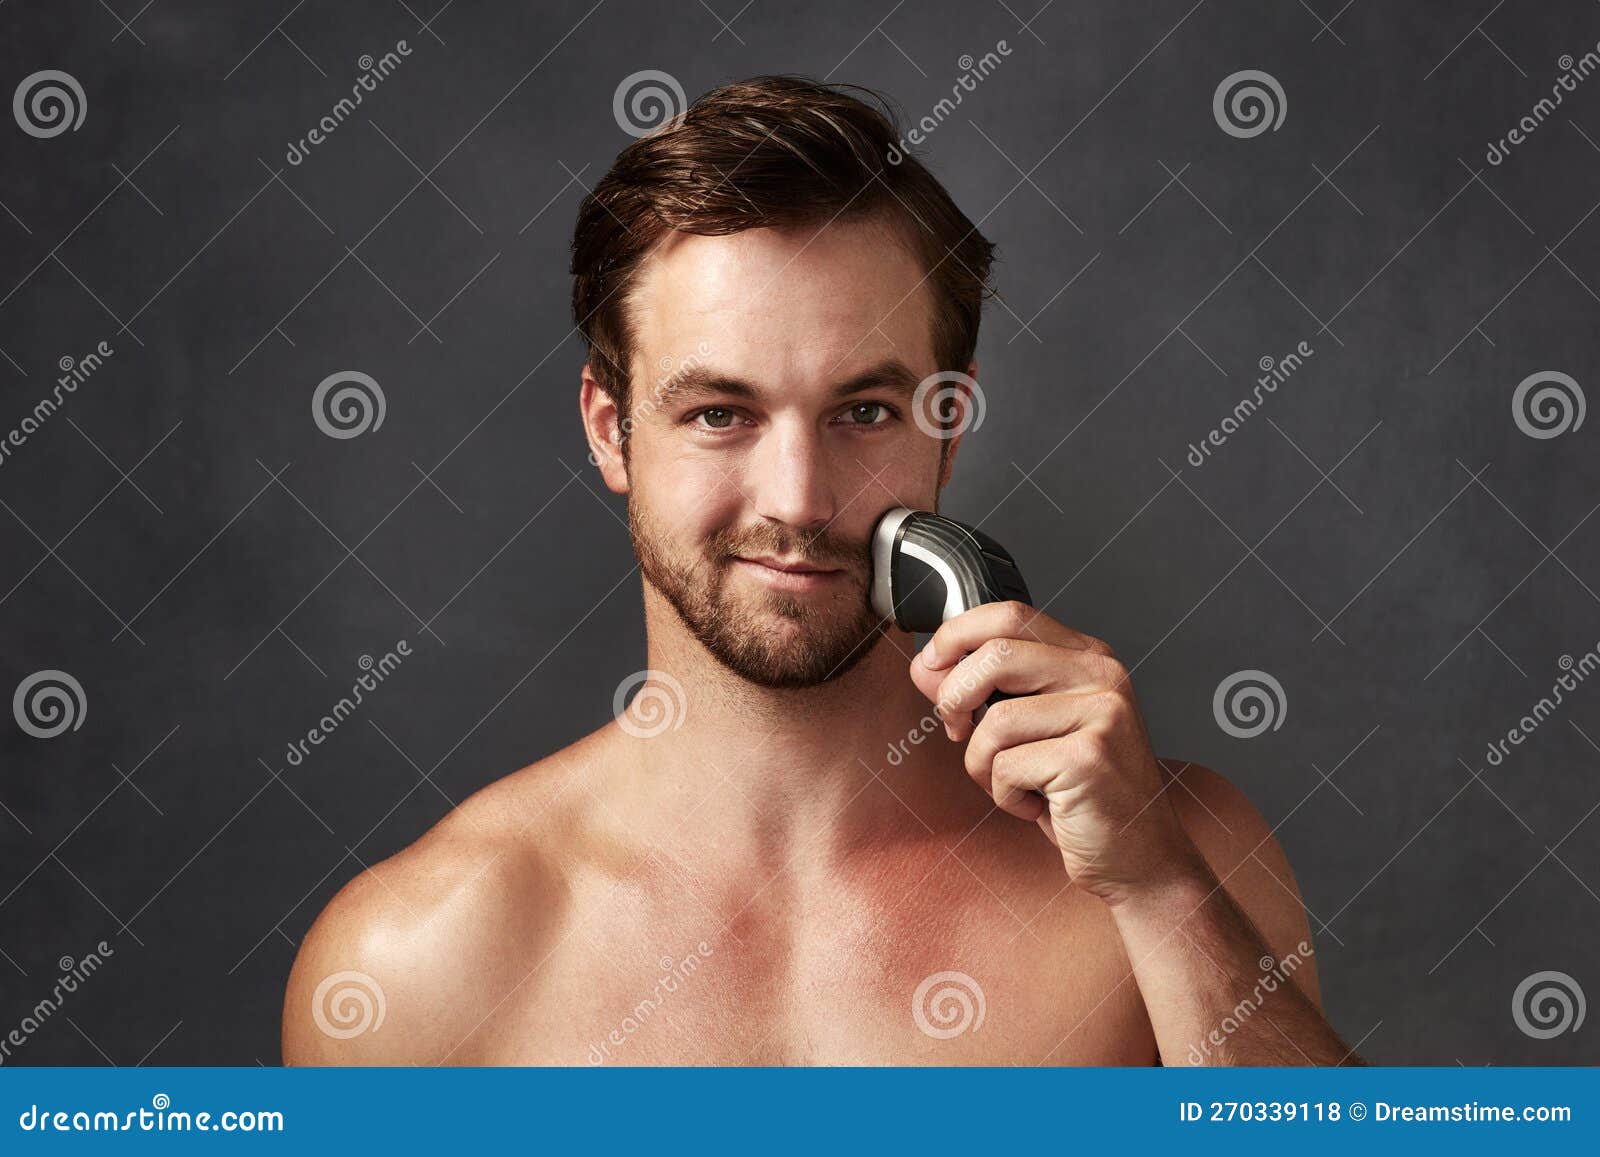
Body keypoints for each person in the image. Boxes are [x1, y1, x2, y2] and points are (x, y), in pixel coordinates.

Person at [282, 75, 1363, 1066]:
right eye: (720, 413)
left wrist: (1157, 883)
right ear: (611, 431)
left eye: (862, 411)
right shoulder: (414, 961)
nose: (799, 498)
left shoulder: (1179, 853)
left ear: (946, 424)